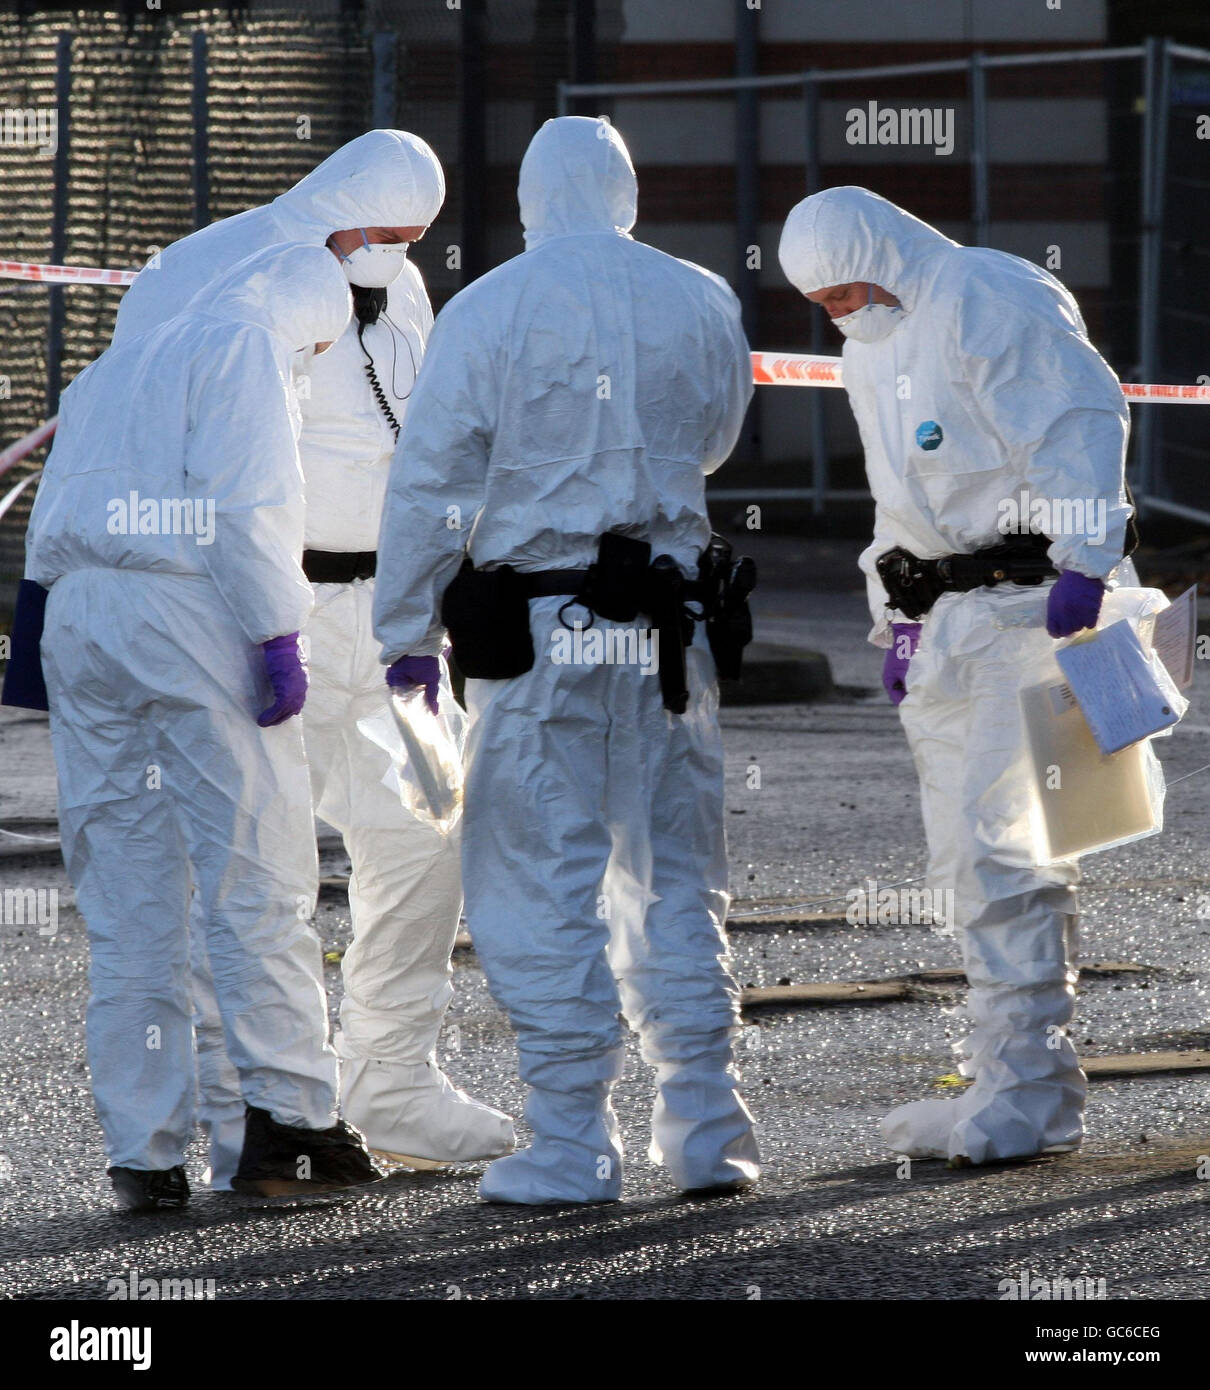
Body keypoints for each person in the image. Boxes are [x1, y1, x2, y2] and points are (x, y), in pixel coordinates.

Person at [113, 130, 514, 1183]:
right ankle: (262, 1103)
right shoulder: (217, 272)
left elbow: (420, 441)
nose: (388, 253)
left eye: (409, 239)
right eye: (378, 233)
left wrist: (427, 605)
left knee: (434, 823)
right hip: (260, 607)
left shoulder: (403, 289)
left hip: (387, 610)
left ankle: (392, 1075)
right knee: (258, 862)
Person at [373, 116, 762, 1204]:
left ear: (532, 199)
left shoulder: (491, 305)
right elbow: (714, 434)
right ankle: (705, 1130)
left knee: (540, 879)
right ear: (626, 193)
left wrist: (404, 629)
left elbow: (433, 476)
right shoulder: (699, 298)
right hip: (669, 636)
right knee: (676, 879)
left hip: (541, 634)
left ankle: (570, 1141)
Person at [778, 186, 1137, 1165]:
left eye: (847, 287)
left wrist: (1084, 558)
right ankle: (1002, 1081)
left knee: (1006, 856)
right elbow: (899, 504)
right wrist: (893, 620)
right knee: (968, 867)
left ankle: (1028, 1096)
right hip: (951, 628)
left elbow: (1077, 415)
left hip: (1029, 613)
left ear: (881, 252)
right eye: (823, 301)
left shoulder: (985, 293)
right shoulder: (874, 348)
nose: (840, 309)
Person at [25, 243, 380, 1208]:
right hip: (185, 614)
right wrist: (278, 631)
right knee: (254, 872)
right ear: (307, 317)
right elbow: (249, 501)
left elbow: (57, 503)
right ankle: (290, 1129)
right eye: (318, 348)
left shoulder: (117, 362)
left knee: (128, 893)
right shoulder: (248, 348)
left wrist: (31, 631)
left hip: (79, 619)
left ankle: (142, 1153)